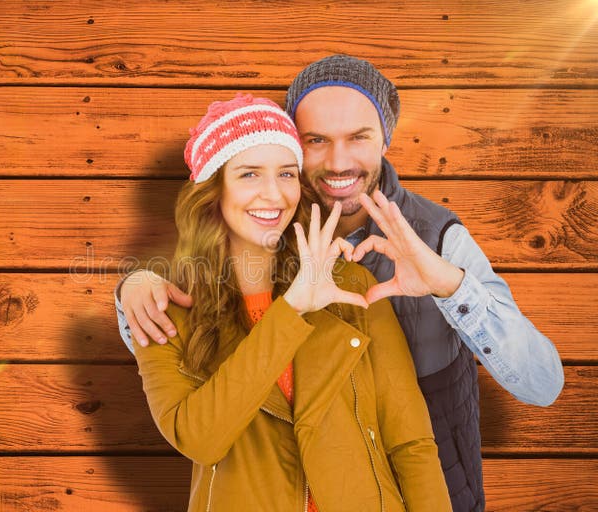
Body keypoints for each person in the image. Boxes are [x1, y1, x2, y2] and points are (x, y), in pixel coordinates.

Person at [116, 56, 564, 511]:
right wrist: (133, 291)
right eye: (316, 140)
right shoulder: (220, 269)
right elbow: (185, 382)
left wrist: (449, 286)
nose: (338, 161)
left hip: (440, 487)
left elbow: (536, 386)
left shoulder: (431, 239)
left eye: (358, 137)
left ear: (385, 139)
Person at [132, 93, 451, 511]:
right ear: (214, 190)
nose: (274, 194)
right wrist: (291, 310)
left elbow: (411, 442)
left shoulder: (352, 284)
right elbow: (199, 439)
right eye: (249, 174)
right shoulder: (164, 310)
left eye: (285, 173)